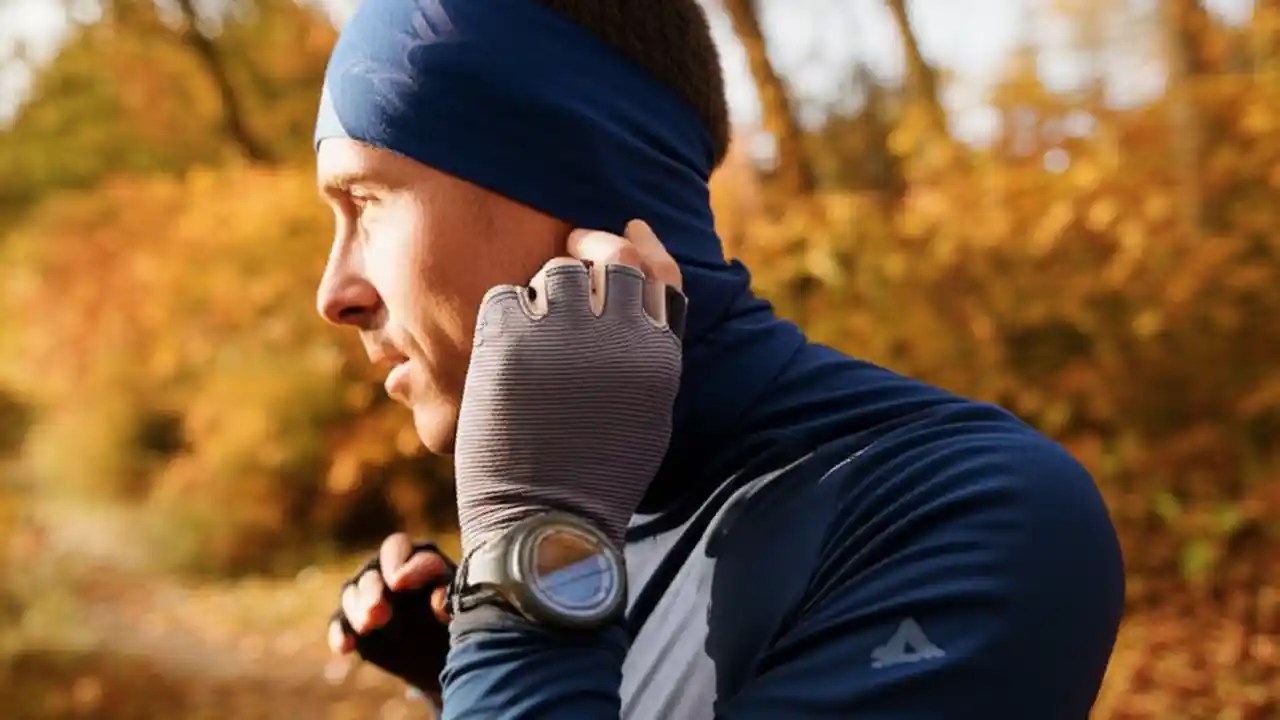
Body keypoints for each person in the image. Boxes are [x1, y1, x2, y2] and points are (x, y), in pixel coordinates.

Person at [312, 0, 1127, 717]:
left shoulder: (974, 513)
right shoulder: (598, 513)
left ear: (572, 179)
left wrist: (529, 569)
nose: (334, 291)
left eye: (368, 204)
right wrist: (474, 670)